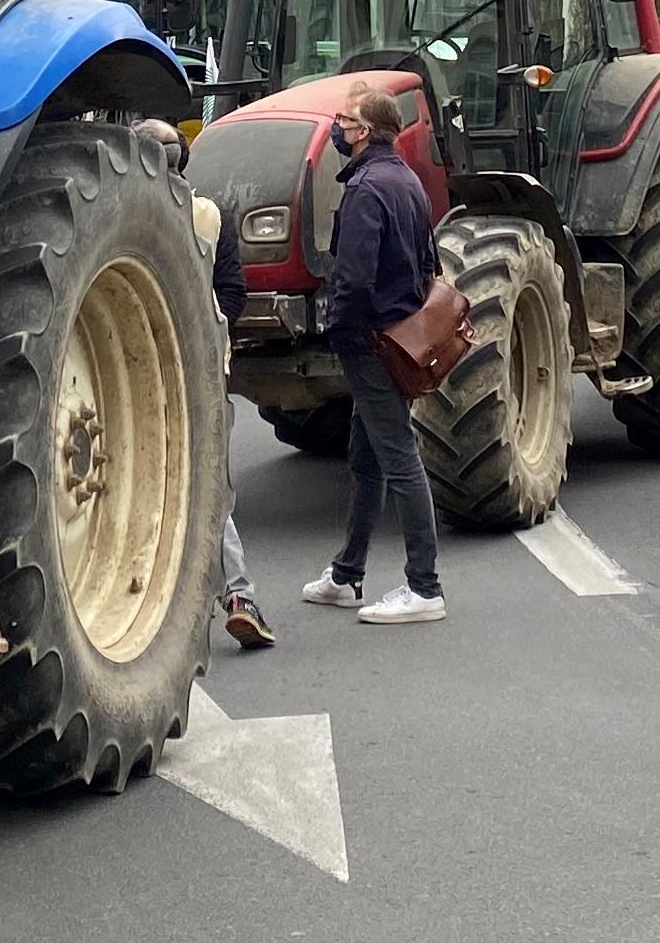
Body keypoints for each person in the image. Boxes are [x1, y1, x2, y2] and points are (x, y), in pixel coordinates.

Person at [300, 85, 446, 624]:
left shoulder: (365, 189)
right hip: (400, 334)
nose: (338, 127)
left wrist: (337, 327)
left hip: (369, 339)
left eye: (344, 121)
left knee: (399, 458)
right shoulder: (407, 180)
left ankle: (425, 588)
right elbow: (429, 260)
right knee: (366, 458)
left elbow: (353, 277)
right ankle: (346, 575)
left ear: (364, 132)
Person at [154, 120, 273, 651]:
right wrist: (207, 330)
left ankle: (210, 597)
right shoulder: (208, 215)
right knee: (204, 482)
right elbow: (233, 294)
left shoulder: (133, 214)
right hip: (204, 367)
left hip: (155, 368)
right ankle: (236, 595)